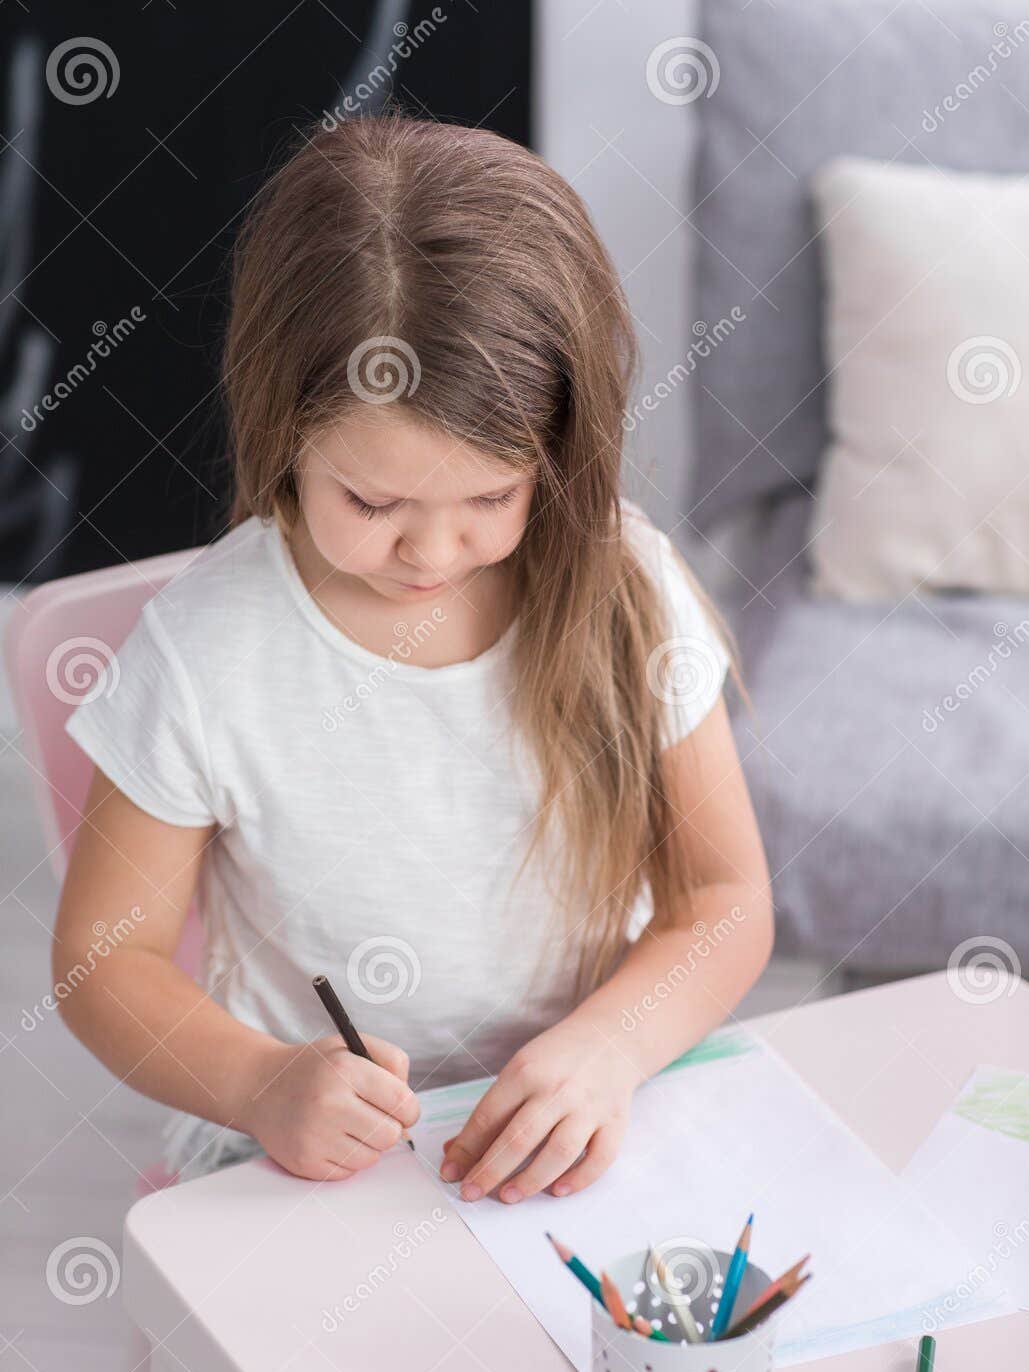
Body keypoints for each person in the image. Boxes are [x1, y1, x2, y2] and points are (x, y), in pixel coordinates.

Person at [55, 112, 774, 1197]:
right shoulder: (208, 651)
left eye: (492, 496)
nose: (433, 551)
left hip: (591, 1096)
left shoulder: (622, 585)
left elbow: (720, 898)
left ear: (560, 453)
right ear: (281, 430)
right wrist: (259, 1083)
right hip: (295, 1144)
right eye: (373, 499)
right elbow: (104, 962)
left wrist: (610, 1046)